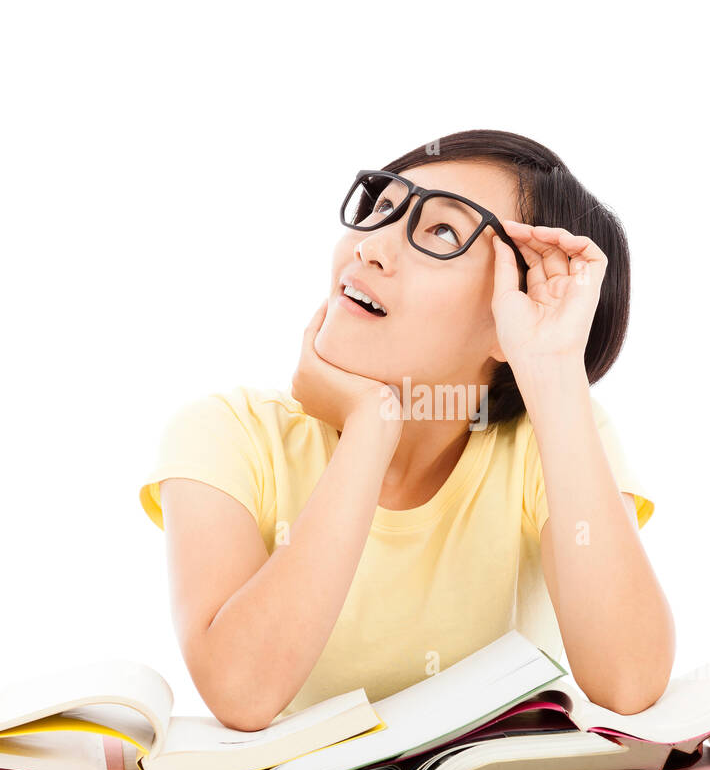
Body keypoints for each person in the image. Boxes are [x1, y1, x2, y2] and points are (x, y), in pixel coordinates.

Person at [139, 129, 674, 731]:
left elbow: (629, 682)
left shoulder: (555, 437)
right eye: (383, 208)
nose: (372, 248)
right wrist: (372, 427)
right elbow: (240, 691)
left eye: (442, 231)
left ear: (512, 312)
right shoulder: (225, 434)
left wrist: (551, 367)